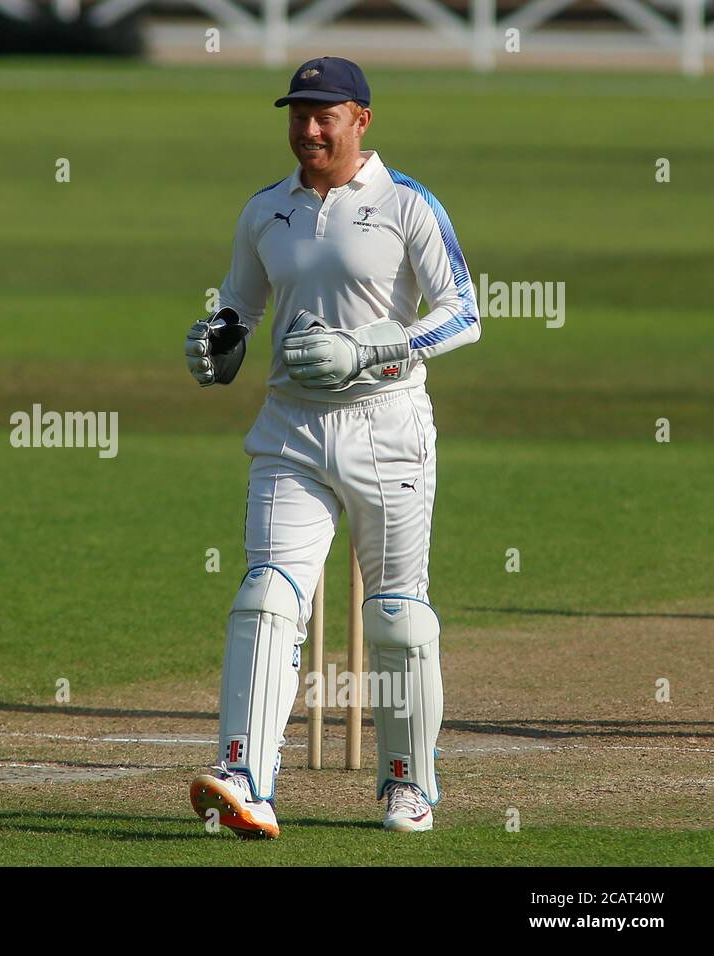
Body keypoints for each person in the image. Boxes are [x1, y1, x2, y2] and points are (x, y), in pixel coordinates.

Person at [183, 56, 480, 838]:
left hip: (386, 424)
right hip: (290, 427)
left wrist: (368, 349)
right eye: (298, 114)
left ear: (360, 120)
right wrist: (218, 342)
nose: (309, 129)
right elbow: (240, 306)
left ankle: (408, 784)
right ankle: (246, 778)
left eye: (325, 116)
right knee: (267, 595)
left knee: (397, 616)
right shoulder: (266, 210)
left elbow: (462, 313)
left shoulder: (406, 202)